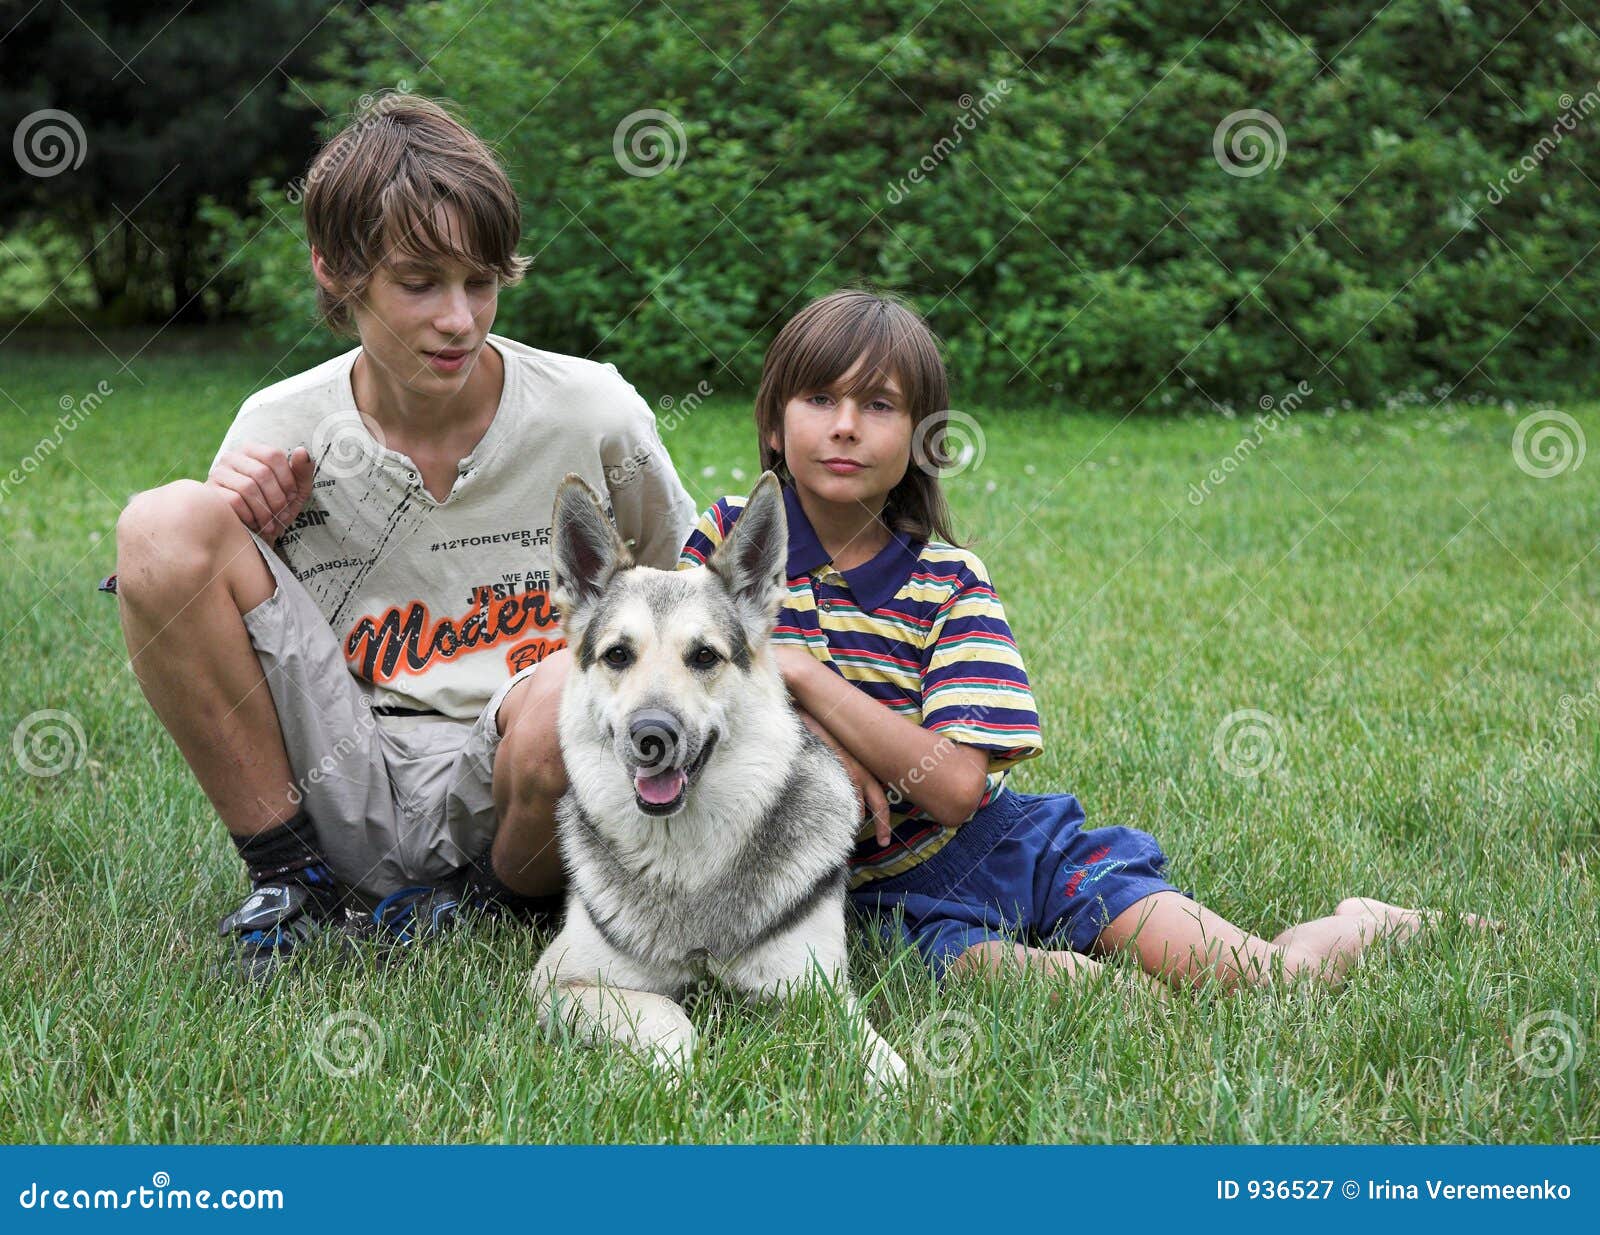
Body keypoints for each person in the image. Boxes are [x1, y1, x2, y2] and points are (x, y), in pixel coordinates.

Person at [679, 288, 1474, 992]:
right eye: (820, 397)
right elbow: (681, 685)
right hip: (876, 898)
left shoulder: (949, 583)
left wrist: (803, 675)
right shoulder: (729, 539)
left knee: (1252, 977)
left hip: (1007, 847)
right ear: (775, 425)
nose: (846, 426)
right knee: (1096, 997)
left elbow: (954, 788)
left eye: (879, 405)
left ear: (923, 442)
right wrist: (817, 732)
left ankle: (1367, 921)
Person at [112, 94, 696, 978]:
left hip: (524, 783)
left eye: (481, 280)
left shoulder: (595, 412)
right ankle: (290, 882)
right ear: (338, 273)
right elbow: (203, 611)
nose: (458, 317)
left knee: (564, 690)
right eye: (419, 283)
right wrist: (232, 519)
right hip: (343, 764)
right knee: (161, 521)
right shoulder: (281, 425)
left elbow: (683, 593)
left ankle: (489, 909)